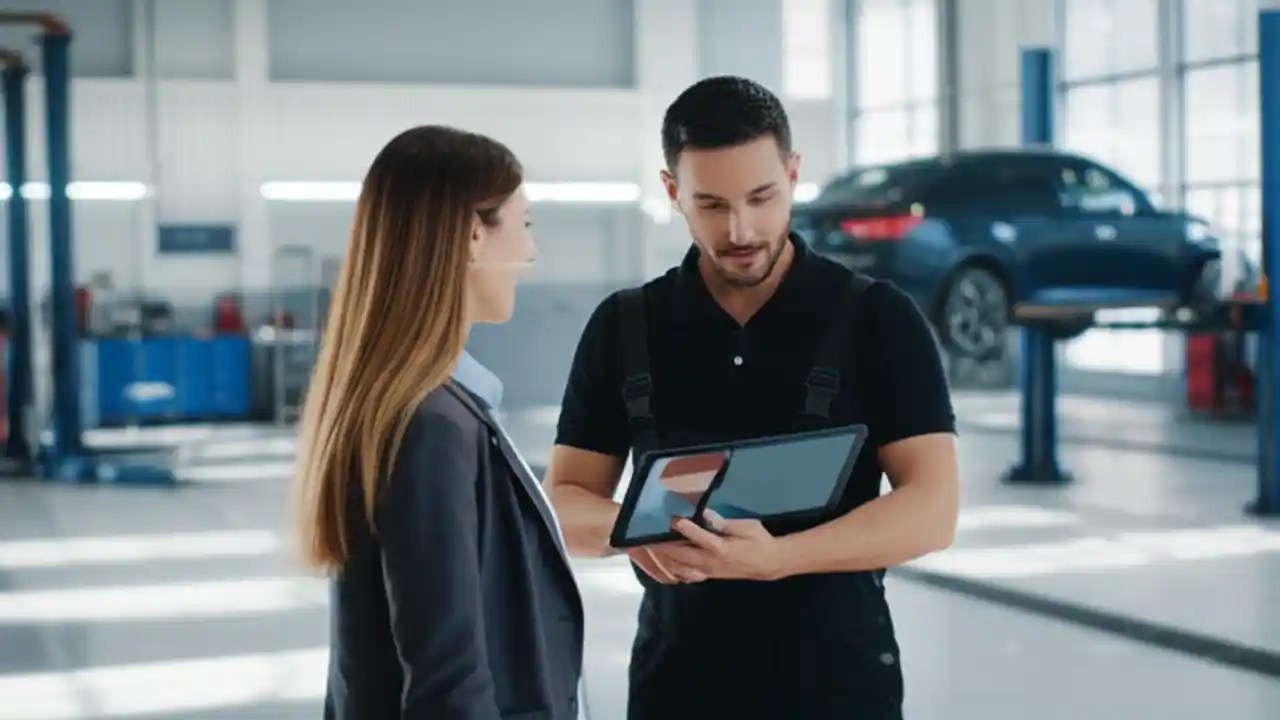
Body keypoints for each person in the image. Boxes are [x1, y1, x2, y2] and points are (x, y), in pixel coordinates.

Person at [545, 76, 960, 718]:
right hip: (678, 688)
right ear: (672, 192)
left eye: (762, 197)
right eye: (711, 205)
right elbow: (565, 505)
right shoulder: (626, 326)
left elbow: (933, 508)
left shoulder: (878, 319)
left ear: (793, 174)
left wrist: (780, 559)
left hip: (841, 689)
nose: (741, 230)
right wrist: (634, 533)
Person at [291, 125, 585, 719]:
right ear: (474, 236)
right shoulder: (430, 425)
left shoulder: (414, 405)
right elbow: (446, 674)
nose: (531, 253)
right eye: (524, 225)